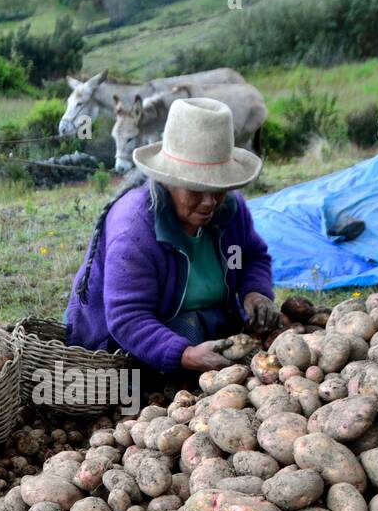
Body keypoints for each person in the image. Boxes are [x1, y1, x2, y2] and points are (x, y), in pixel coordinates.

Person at [64, 97, 279, 375]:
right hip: (123, 345)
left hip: (205, 323)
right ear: (169, 180)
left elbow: (252, 256)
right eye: (195, 190)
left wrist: (254, 293)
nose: (209, 202)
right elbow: (128, 318)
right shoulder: (134, 230)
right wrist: (185, 355)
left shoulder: (231, 208)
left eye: (217, 189)